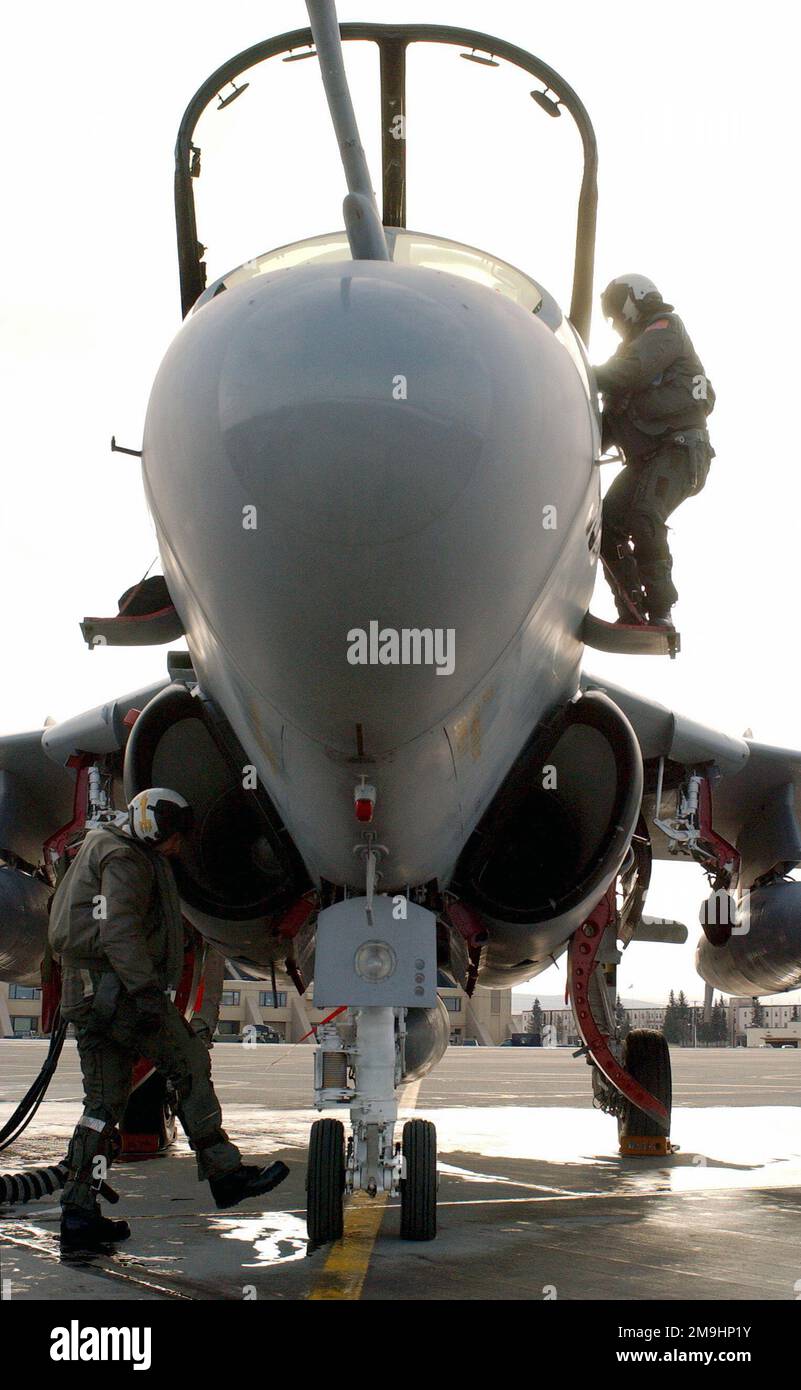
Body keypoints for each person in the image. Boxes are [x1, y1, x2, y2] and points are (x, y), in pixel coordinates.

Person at [48, 787, 288, 1251]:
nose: (178, 848)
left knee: (102, 1108)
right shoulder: (124, 859)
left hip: (88, 997)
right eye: (174, 840)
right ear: (152, 830)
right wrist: (147, 993)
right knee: (190, 1063)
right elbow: (119, 932)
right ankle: (225, 1174)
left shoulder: (105, 844)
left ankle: (79, 1214)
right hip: (121, 994)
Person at [592, 273, 715, 627]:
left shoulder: (664, 329)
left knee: (644, 514)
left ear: (634, 300)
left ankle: (661, 610)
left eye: (616, 313)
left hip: (679, 450)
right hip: (649, 459)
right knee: (607, 524)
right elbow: (606, 427)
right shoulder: (626, 357)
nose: (616, 324)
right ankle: (631, 609)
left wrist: (581, 372)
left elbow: (632, 371)